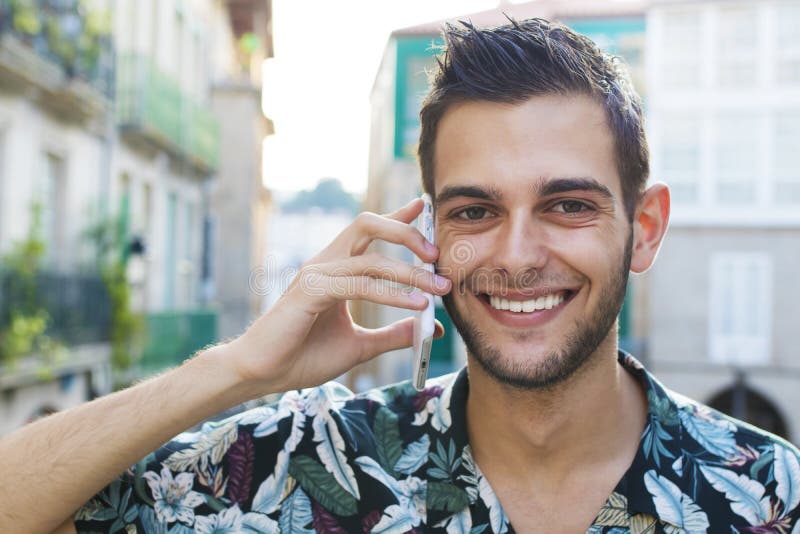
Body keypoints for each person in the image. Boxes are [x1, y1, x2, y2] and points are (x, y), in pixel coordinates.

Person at [2, 17, 799, 533]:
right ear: (426, 233)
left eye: (566, 206)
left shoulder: (771, 494)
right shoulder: (302, 464)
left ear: (645, 228)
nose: (517, 256)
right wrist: (240, 368)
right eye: (474, 212)